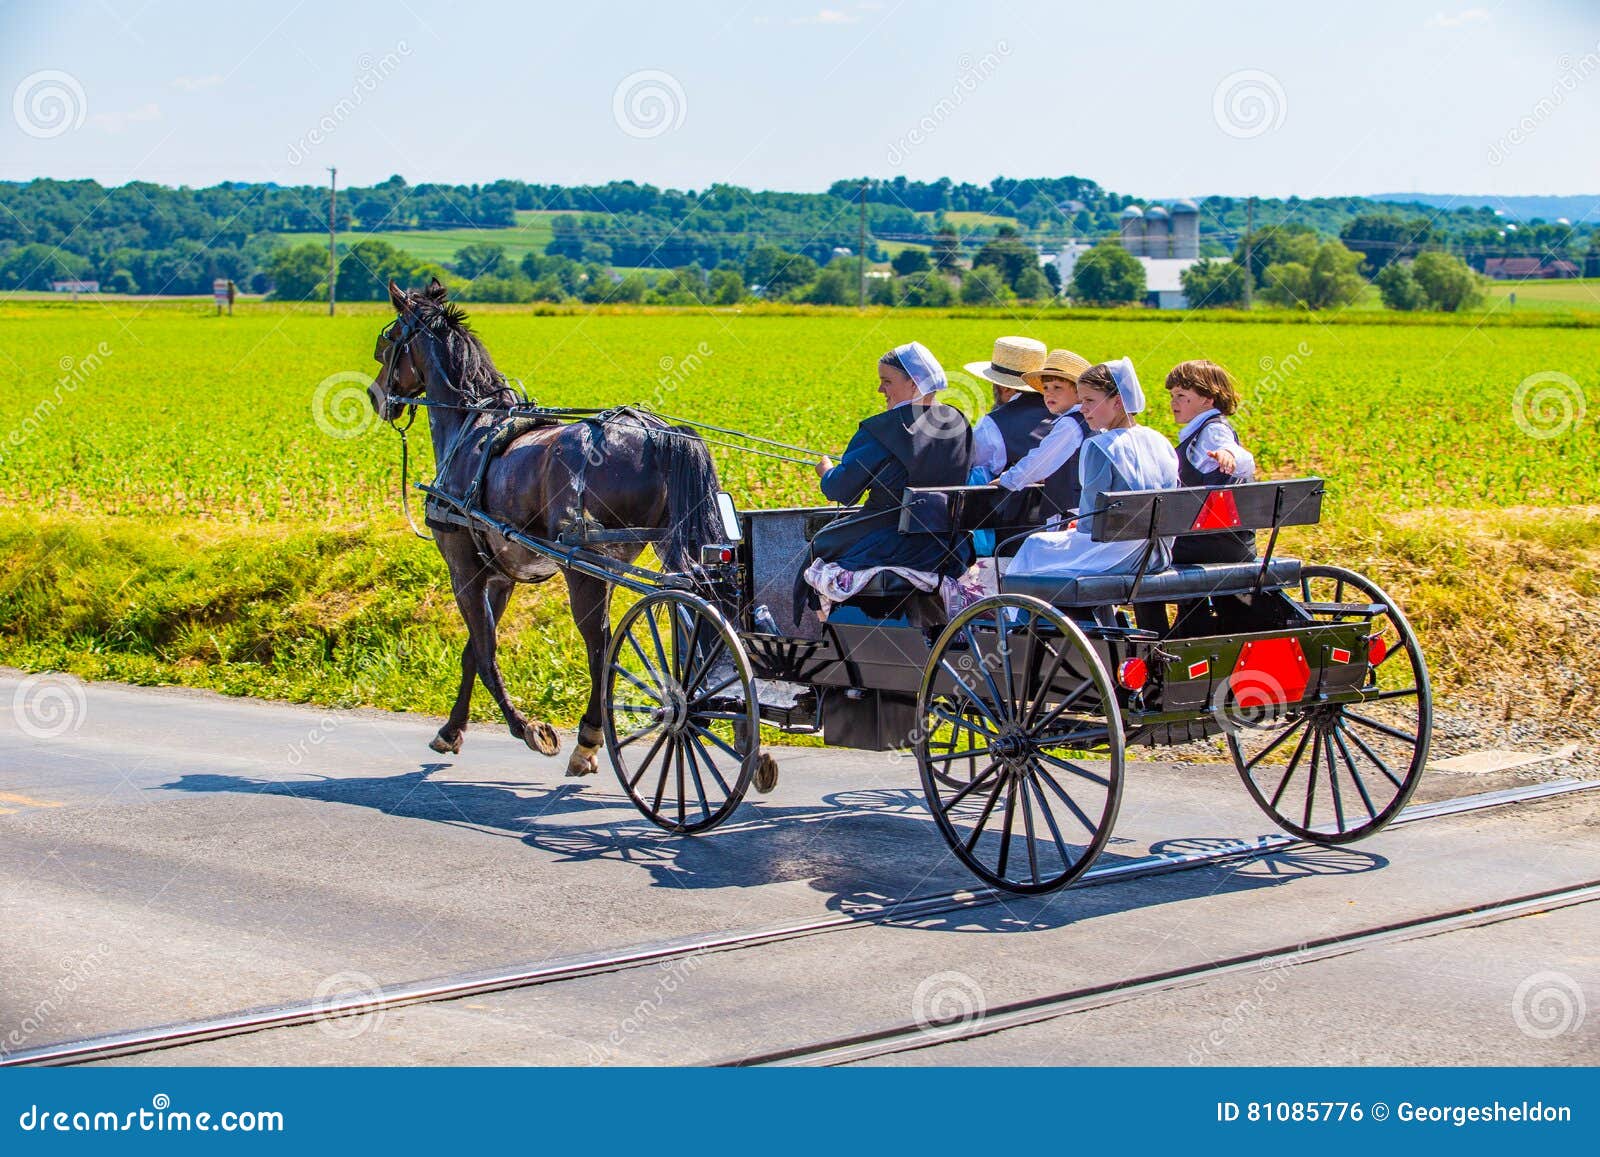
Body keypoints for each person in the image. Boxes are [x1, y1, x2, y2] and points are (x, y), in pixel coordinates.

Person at [807, 341, 975, 578]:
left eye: (887, 381)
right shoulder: (960, 422)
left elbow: (842, 490)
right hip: (949, 546)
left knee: (819, 544)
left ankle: (824, 614)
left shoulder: (881, 428)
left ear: (914, 383)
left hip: (891, 543)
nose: (880, 389)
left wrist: (827, 472)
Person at [1008, 358, 1179, 580]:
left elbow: (1089, 524)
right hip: (1157, 553)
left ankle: (1021, 613)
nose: (1084, 409)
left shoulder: (1101, 445)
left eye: (1089, 400)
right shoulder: (1159, 440)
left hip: (1113, 554)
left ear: (1117, 402)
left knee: (1033, 545)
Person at [1165, 359, 1257, 564]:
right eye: (1172, 396)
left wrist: (1229, 454)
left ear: (1207, 399)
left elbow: (1241, 456)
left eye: (1181, 396)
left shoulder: (1213, 430)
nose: (1173, 402)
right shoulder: (1206, 429)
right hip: (1232, 544)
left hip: (1203, 544)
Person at [995, 347, 1093, 527]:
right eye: (1045, 388)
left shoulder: (1069, 425)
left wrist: (1005, 480)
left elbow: (1038, 463)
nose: (1049, 393)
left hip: (1067, 515)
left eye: (1058, 387)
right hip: (1083, 510)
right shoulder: (1087, 421)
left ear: (1079, 394)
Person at [966, 336, 1050, 483]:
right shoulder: (1065, 412)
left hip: (1009, 504)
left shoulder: (992, 425)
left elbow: (969, 462)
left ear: (1005, 388)